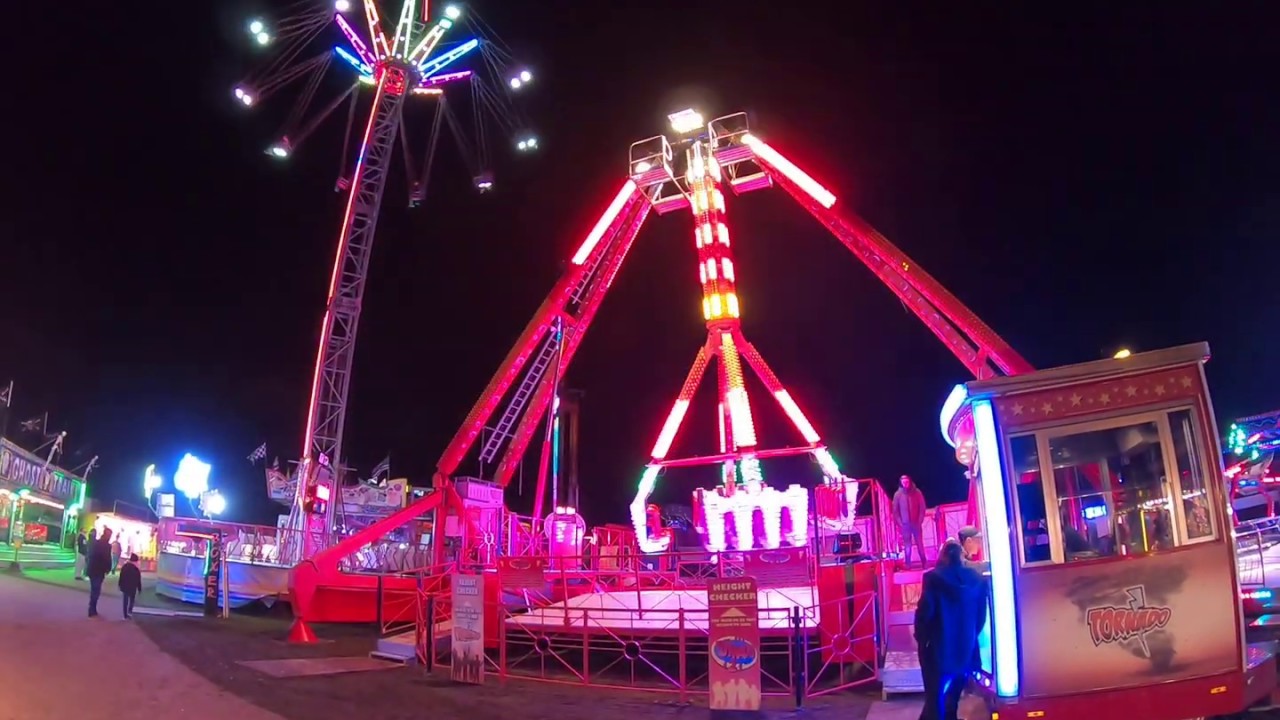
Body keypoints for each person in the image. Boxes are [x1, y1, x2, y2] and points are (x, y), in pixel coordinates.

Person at [914, 540, 988, 720]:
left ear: (943, 557)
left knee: (934, 699)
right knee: (952, 700)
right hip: (966, 649)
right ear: (961, 556)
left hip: (937, 649)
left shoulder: (933, 579)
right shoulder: (977, 580)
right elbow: (981, 618)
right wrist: (969, 637)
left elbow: (925, 613)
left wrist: (923, 639)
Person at [893, 475, 928, 567]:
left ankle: (924, 562)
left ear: (910, 481)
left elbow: (922, 507)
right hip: (905, 525)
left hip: (916, 523)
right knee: (907, 545)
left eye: (907, 481)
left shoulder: (917, 493)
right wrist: (901, 523)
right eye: (903, 482)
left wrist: (919, 521)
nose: (905, 484)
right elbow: (895, 511)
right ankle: (908, 564)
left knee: (920, 544)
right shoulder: (898, 495)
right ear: (901, 483)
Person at [86, 527, 114, 618]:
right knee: (96, 590)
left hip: (92, 568)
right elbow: (107, 558)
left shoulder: (96, 543)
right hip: (99, 570)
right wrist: (108, 568)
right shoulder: (107, 546)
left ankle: (92, 608)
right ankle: (92, 608)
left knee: (94, 589)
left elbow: (91, 555)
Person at [118, 553, 142, 619]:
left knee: (125, 600)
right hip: (132, 587)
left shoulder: (125, 566)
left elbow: (121, 576)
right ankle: (130, 611)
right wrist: (139, 588)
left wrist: (120, 584)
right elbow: (138, 580)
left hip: (125, 586)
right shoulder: (136, 569)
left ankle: (125, 614)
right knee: (131, 600)